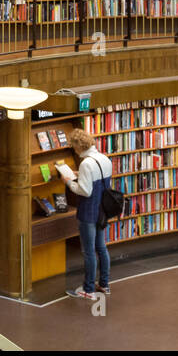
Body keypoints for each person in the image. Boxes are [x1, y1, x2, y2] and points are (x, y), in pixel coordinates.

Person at [57, 128, 113, 300]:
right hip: (102, 211)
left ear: (78, 146)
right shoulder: (103, 158)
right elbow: (98, 180)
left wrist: (68, 182)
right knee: (101, 248)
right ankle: (104, 284)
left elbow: (85, 191)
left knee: (88, 252)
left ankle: (88, 290)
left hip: (88, 212)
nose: (73, 149)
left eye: (73, 146)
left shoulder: (86, 163)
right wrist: (79, 175)